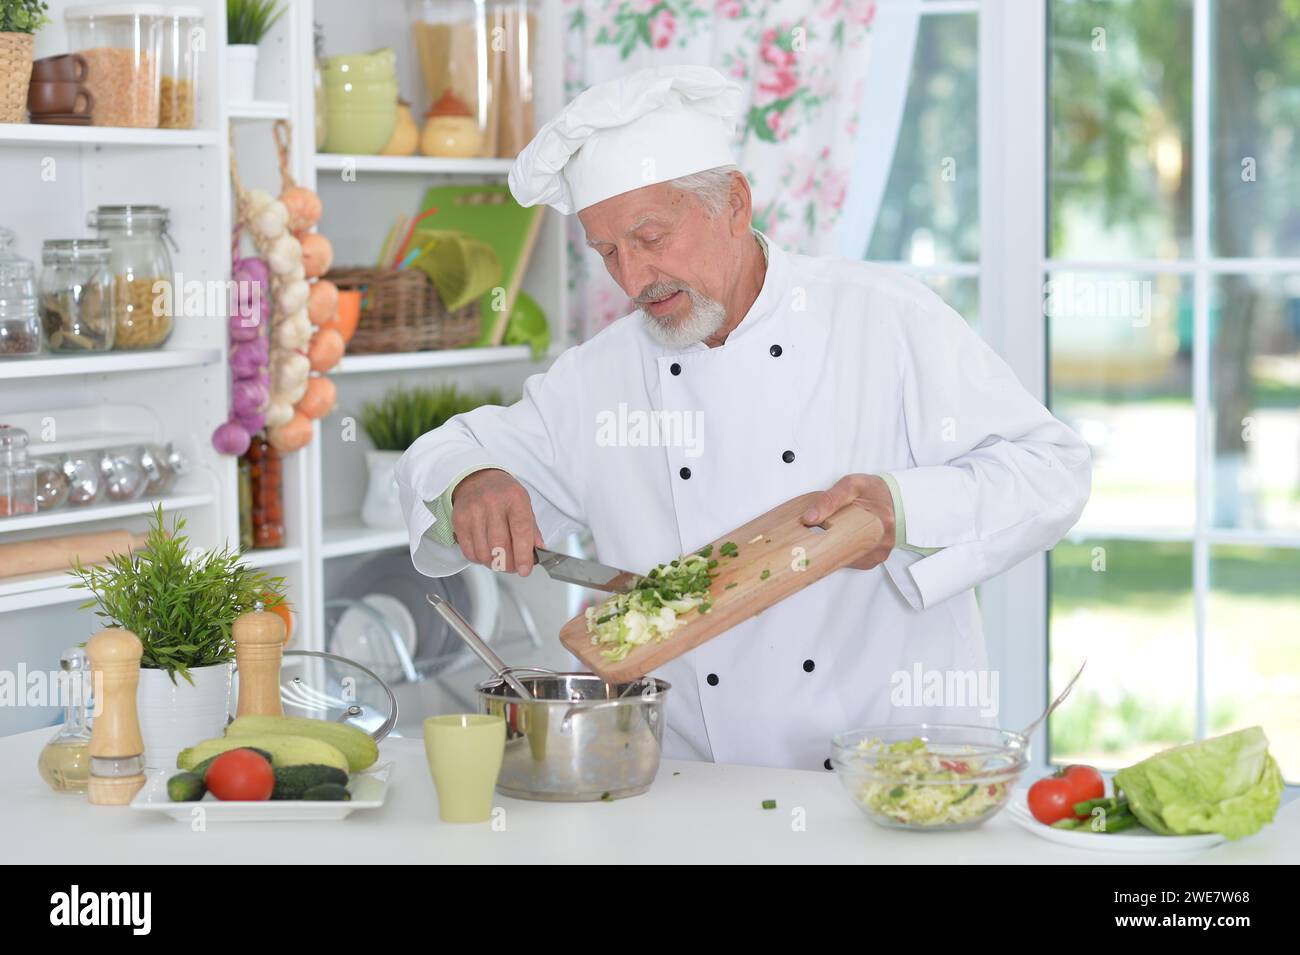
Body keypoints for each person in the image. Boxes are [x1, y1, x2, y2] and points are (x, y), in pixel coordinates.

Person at [396, 65, 1091, 770]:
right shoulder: (598, 377)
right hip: (696, 788)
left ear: (734, 203)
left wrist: (903, 509)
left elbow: (1052, 468)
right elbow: (448, 450)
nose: (635, 280)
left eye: (651, 237)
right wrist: (473, 480)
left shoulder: (882, 317)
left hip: (890, 777)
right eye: (608, 252)